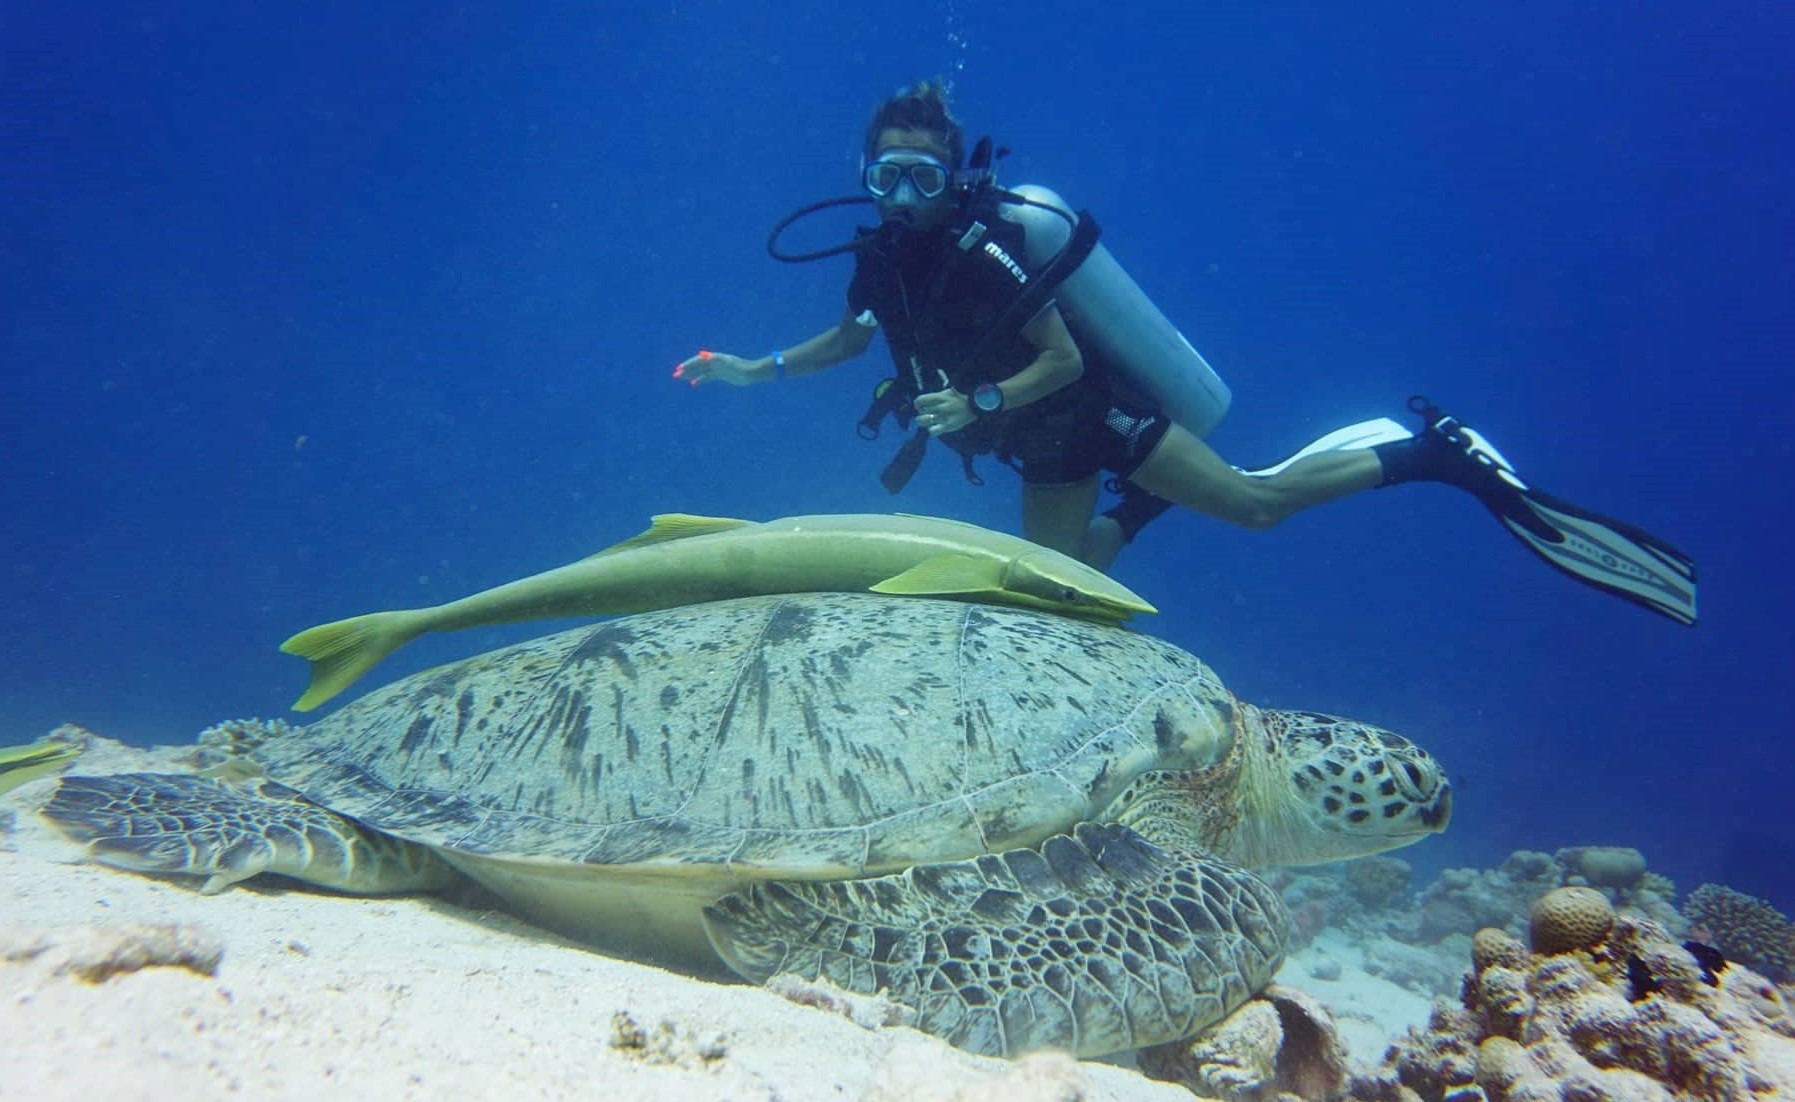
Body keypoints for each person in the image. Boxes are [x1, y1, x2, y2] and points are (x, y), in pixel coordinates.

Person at [674, 82, 1697, 625]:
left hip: (1091, 420)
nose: (903, 198)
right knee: (1065, 583)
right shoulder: (882, 259)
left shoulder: (985, 252)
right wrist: (752, 370)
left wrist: (980, 401)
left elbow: (1065, 363)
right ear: (865, 175)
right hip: (1042, 449)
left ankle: (1429, 451)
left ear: (953, 176)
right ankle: (1144, 507)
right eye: (886, 176)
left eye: (921, 179)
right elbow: (852, 337)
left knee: (1254, 506)